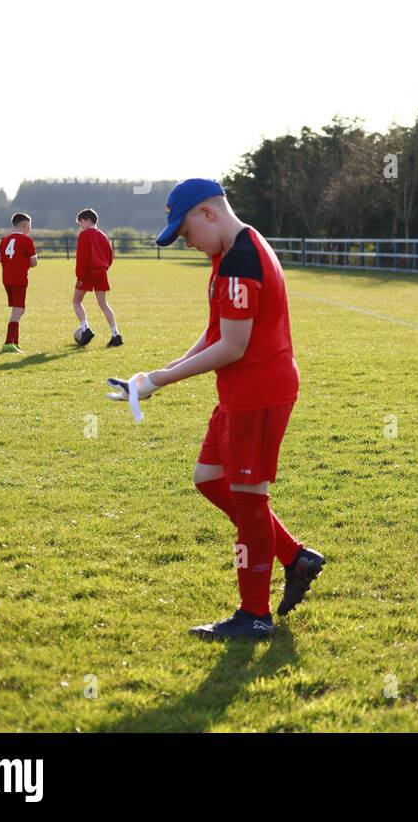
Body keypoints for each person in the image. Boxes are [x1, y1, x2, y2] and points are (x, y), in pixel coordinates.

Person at [106, 178, 323, 640]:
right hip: (240, 394)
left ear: (208, 213)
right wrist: (154, 377)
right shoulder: (229, 251)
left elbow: (233, 346)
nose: (187, 242)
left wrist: (161, 380)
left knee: (249, 500)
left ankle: (253, 614)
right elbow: (214, 333)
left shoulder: (242, 259)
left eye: (185, 232)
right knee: (209, 479)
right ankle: (295, 556)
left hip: (259, 394)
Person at [73, 208, 121, 347]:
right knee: (103, 304)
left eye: (81, 222)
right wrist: (104, 268)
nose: (81, 225)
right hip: (102, 271)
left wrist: (80, 276)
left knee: (76, 301)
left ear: (88, 220)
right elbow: (110, 257)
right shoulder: (103, 235)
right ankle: (115, 335)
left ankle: (85, 329)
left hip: (88, 271)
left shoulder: (84, 235)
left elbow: (82, 258)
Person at [0, 212, 38, 353]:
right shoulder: (27, 240)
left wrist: (10, 261)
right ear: (25, 225)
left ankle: (15, 342)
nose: (30, 228)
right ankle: (8, 342)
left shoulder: (5, 239)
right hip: (19, 279)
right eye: (29, 225)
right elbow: (34, 262)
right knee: (19, 309)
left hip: (6, 278)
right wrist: (21, 263)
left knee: (17, 308)